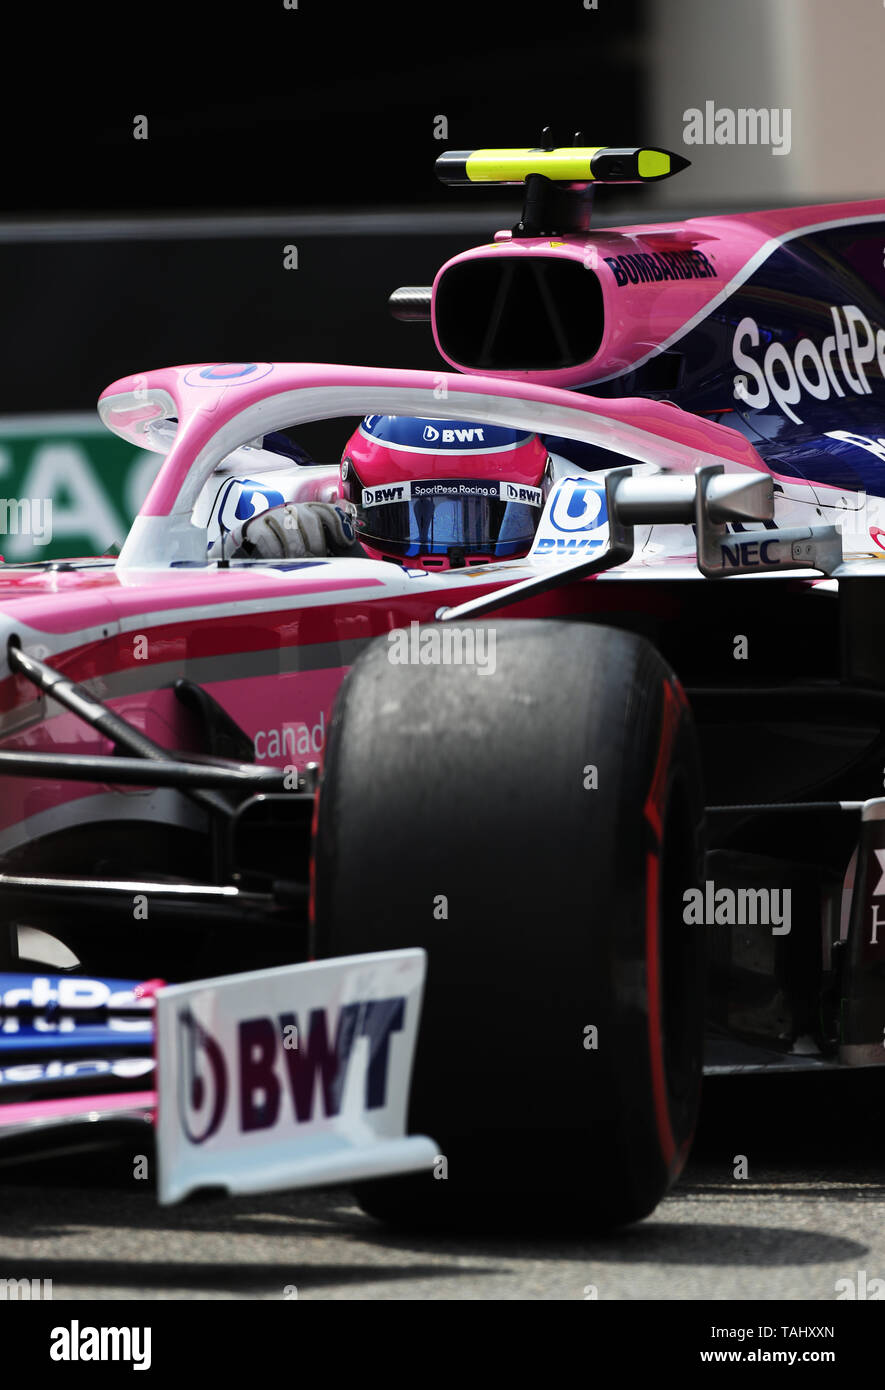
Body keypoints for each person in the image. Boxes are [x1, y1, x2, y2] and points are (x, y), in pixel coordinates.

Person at [205, 415, 552, 568]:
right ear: (353, 507)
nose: (451, 559)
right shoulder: (314, 541)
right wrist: (238, 553)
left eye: (485, 518)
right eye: (417, 520)